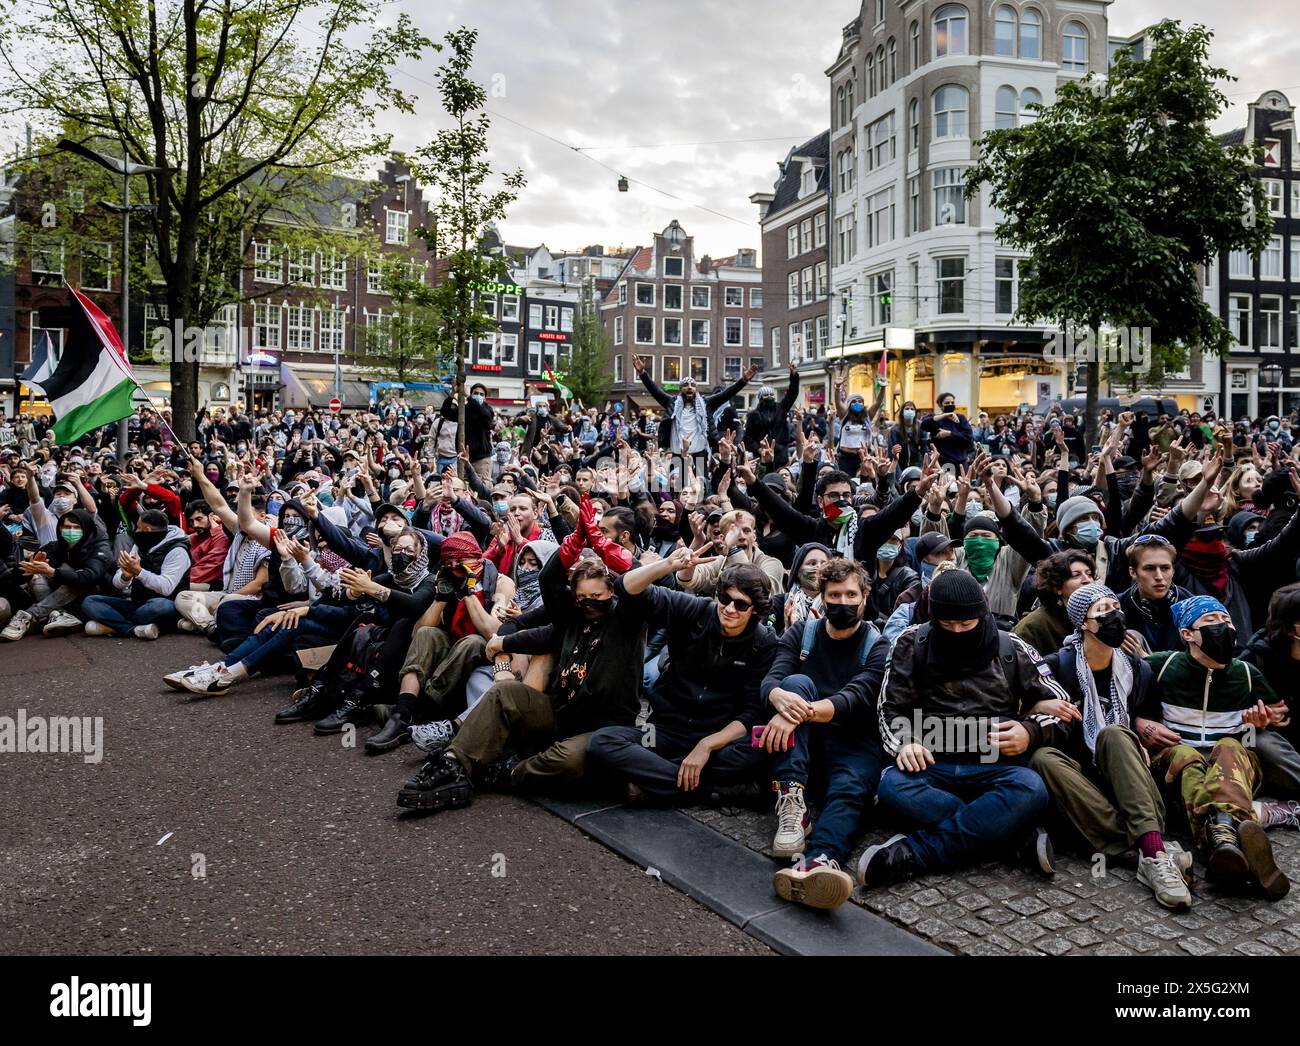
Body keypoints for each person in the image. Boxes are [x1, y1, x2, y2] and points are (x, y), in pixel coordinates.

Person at [395, 542, 651, 812]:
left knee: (567, 760)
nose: (589, 604)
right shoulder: (571, 618)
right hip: (561, 714)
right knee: (503, 693)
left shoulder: (627, 622)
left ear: (611, 591)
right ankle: (453, 764)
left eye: (596, 596)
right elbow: (545, 597)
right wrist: (503, 644)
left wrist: (603, 545)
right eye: (581, 597)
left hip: (603, 727)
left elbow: (640, 587)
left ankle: (509, 772)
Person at [861, 570, 1066, 888]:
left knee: (1031, 789)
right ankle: (1009, 836)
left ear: (981, 616)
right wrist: (905, 744)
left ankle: (916, 852)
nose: (957, 631)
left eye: (966, 624)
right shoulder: (910, 642)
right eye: (947, 624)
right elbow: (890, 707)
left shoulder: (1011, 647)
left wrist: (1030, 732)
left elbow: (1061, 709)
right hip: (931, 764)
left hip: (996, 765)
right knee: (891, 786)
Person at [1030, 584, 1192, 909]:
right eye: (1101, 611)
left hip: (1126, 775)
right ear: (1083, 624)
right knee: (1042, 758)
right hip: (1083, 779)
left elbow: (1143, 717)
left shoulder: (1136, 669)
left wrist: (1139, 730)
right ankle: (1153, 851)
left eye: (1114, 606)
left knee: (1115, 734)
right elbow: (1025, 706)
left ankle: (1147, 850)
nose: (1113, 616)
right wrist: (1039, 707)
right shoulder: (1057, 667)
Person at [586, 553, 778, 801]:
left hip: (717, 740)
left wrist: (706, 745)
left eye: (740, 604)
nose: (729, 608)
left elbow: (751, 713)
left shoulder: (763, 642)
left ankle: (653, 781)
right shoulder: (695, 610)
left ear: (755, 610)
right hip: (663, 731)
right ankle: (707, 790)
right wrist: (667, 565)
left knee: (757, 751)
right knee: (602, 742)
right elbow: (626, 588)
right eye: (724, 598)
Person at [1138, 596, 1291, 900]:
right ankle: (1229, 841)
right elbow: (1122, 703)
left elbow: (1279, 713)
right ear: (1187, 634)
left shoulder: (1246, 674)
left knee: (1230, 745)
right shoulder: (1162, 666)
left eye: (1227, 621)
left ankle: (1220, 844)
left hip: (1231, 766)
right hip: (1176, 762)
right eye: (1210, 622)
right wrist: (1143, 724)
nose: (1223, 627)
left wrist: (1262, 722)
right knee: (1186, 755)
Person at [762, 557, 889, 910]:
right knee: (795, 682)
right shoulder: (802, 633)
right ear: (823, 597)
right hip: (806, 745)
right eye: (835, 595)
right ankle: (792, 806)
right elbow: (773, 678)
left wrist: (794, 714)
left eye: (851, 594)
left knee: (850, 792)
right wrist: (780, 699)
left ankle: (817, 863)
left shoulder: (877, 646)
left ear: (864, 598)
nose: (844, 603)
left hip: (853, 743)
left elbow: (855, 696)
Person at [0, 507, 114, 641]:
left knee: (73, 574)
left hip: (94, 598)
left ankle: (30, 615)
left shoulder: (100, 548)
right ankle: (58, 614)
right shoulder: (55, 547)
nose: (71, 531)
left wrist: (52, 572)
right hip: (62, 599)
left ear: (86, 529)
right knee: (37, 572)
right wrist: (28, 570)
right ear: (60, 528)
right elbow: (15, 577)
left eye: (76, 528)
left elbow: (88, 578)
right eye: (67, 527)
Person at [81, 509, 192, 639]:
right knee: (90, 601)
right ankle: (131, 629)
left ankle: (115, 625)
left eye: (138, 528)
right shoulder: (140, 544)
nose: (136, 531)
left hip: (165, 605)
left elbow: (166, 588)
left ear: (147, 530)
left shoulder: (178, 551)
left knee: (161, 606)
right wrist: (125, 577)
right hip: (138, 604)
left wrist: (138, 572)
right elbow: (117, 584)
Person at [1013, 550, 1096, 657]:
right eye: (1076, 575)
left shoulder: (1099, 616)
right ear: (1057, 587)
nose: (1087, 580)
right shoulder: (1033, 626)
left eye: (1089, 574)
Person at [921, 392, 975, 470]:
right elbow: (924, 424)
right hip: (942, 463)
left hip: (960, 463)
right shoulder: (937, 419)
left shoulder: (961, 418)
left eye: (952, 402)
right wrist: (944, 415)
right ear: (940, 405)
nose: (950, 404)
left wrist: (949, 433)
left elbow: (968, 437)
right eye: (947, 403)